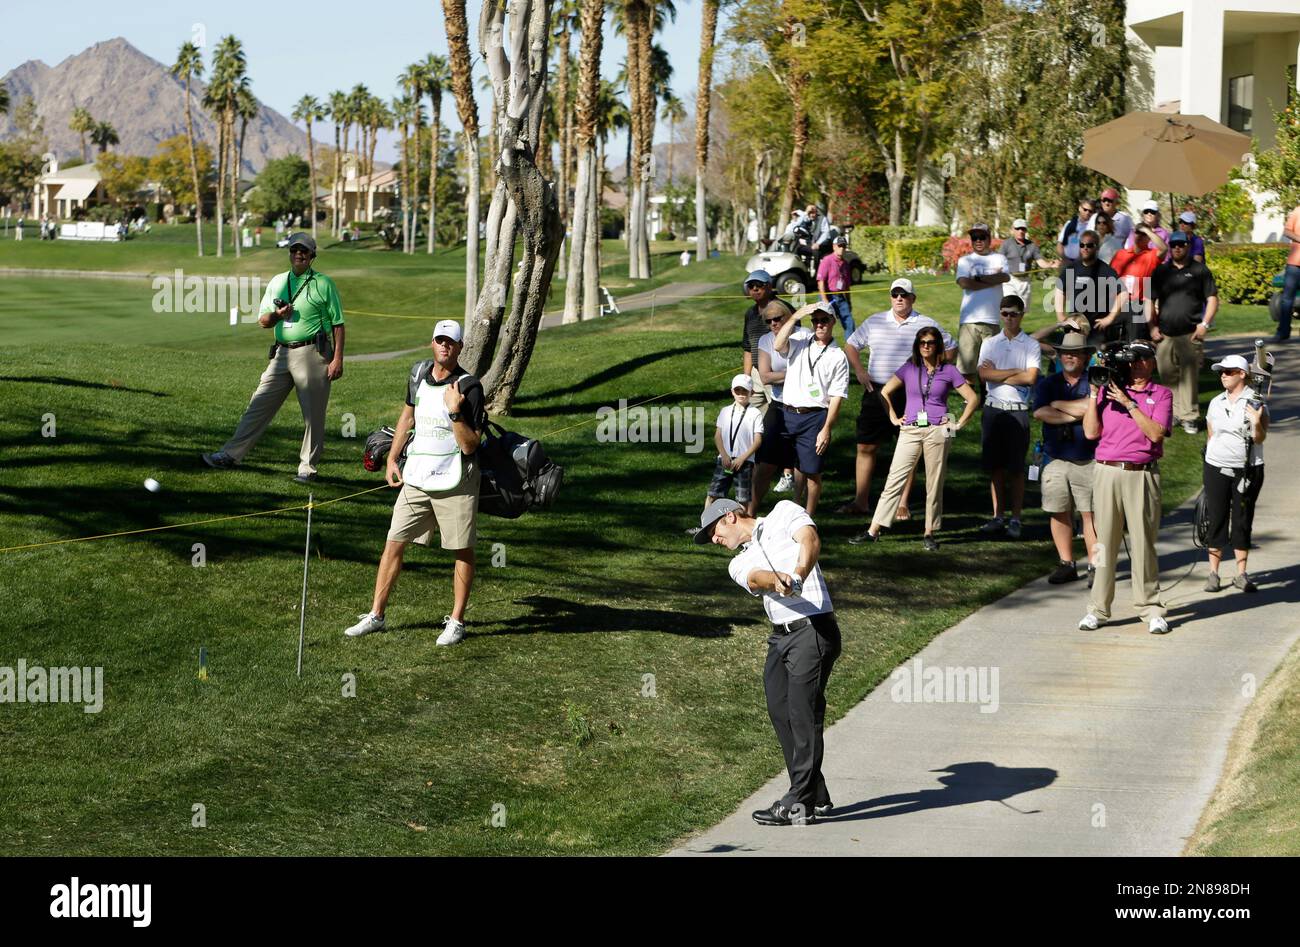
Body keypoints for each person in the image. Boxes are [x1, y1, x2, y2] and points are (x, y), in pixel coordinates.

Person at [695, 497, 840, 826]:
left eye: (714, 532)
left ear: (730, 516)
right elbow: (756, 577)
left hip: (813, 627)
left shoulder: (783, 512)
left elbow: (810, 539)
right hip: (781, 637)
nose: (714, 541)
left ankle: (798, 800)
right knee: (779, 708)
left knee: (803, 713)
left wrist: (798, 575)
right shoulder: (737, 563)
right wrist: (776, 582)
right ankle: (815, 794)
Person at [344, 320, 487, 645]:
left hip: (456, 481)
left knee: (461, 550)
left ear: (460, 347)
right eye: (439, 340)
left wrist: (455, 413)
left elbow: (469, 446)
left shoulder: (469, 387)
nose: (444, 346)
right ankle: (376, 615)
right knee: (394, 542)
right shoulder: (418, 375)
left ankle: (457, 621)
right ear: (431, 343)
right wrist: (393, 458)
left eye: (451, 341)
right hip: (418, 478)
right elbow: (407, 417)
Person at [202, 232, 345, 481]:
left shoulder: (323, 283)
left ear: (312, 256)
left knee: (313, 415)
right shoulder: (279, 281)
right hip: (281, 354)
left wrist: (337, 359)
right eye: (294, 250)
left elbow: (338, 324)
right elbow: (263, 321)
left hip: (313, 353)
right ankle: (230, 454)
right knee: (258, 404)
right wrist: (279, 315)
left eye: (304, 251)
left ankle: (307, 468)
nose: (298, 254)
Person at [851, 326, 979, 549]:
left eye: (929, 343)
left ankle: (929, 532)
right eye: (922, 343)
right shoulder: (909, 368)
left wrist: (957, 423)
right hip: (910, 428)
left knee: (934, 481)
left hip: (938, 430)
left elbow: (972, 398)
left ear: (938, 345)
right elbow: (884, 391)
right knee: (894, 479)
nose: (926, 347)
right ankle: (874, 529)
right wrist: (893, 416)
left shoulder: (948, 371)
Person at [840, 277, 955, 521]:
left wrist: (933, 373)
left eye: (904, 294)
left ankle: (902, 505)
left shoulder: (925, 323)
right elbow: (851, 345)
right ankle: (861, 501)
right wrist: (860, 371)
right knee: (865, 445)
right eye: (895, 294)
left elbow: (951, 347)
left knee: (910, 448)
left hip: (914, 395)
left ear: (913, 298)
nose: (899, 298)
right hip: (877, 391)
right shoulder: (875, 321)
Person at [1078, 340, 1173, 634]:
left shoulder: (1162, 394)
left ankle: (1150, 608)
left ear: (1153, 363)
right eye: (1133, 359)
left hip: (1141, 474)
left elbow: (1156, 434)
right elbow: (1091, 431)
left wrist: (1129, 404)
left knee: (1144, 542)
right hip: (1107, 471)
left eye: (1144, 358)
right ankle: (1097, 609)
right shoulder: (1107, 391)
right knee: (1104, 543)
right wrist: (1094, 396)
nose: (1138, 364)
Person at [1032, 332, 1099, 585]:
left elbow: (1092, 409)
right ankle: (1066, 563)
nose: (1070, 356)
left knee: (1091, 516)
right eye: (1065, 353)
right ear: (1059, 356)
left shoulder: (1094, 382)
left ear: (1085, 356)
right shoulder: (1048, 383)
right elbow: (1040, 412)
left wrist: (1059, 405)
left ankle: (1097, 566)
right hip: (1055, 458)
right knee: (1058, 511)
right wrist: (1078, 414)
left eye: (1076, 352)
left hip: (1089, 458)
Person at [773, 301, 850, 516]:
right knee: (796, 464)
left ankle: (809, 514)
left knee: (813, 470)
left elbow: (836, 397)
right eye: (815, 320)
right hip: (788, 412)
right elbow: (778, 345)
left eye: (824, 320)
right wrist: (796, 315)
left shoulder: (837, 356)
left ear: (833, 322)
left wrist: (826, 428)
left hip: (814, 417)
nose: (819, 324)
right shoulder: (800, 339)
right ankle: (796, 505)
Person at [976, 294, 1041, 538]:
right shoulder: (990, 343)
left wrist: (997, 373)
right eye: (1005, 313)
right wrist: (1016, 371)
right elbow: (983, 375)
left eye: (1014, 313)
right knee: (995, 467)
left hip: (1018, 411)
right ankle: (997, 516)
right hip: (993, 409)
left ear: (1022, 315)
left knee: (1015, 469)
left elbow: (1031, 378)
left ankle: (1015, 518)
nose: (1009, 318)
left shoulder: (1031, 344)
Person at [1202, 354, 1268, 594]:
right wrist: (1209, 461)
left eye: (1228, 371)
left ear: (1242, 374)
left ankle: (1241, 574)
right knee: (1216, 518)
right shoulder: (1216, 402)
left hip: (1248, 469)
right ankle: (1213, 573)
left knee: (1242, 520)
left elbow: (1259, 438)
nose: (1223, 375)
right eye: (1221, 371)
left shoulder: (1256, 401)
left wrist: (1256, 422)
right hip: (1216, 467)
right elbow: (1211, 434)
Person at [1149, 231, 1218, 434]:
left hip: (1190, 332)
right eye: (1174, 244)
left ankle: (1190, 417)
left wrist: (1204, 324)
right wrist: (1151, 326)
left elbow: (1212, 299)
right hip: (1164, 334)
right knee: (1168, 375)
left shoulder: (1199, 270)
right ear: (1170, 247)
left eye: (1181, 244)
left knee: (1188, 377)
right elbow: (1148, 301)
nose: (1177, 247)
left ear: (1188, 246)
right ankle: (1176, 413)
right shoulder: (1160, 271)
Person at [754, 303, 807, 510]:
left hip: (805, 405)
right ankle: (752, 508)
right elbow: (766, 376)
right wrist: (797, 374)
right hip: (778, 404)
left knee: (803, 463)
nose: (774, 324)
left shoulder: (804, 335)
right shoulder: (766, 340)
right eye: (769, 321)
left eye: (777, 319)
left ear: (788, 317)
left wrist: (783, 377)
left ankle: (799, 507)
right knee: (765, 462)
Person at [955, 223, 1009, 387]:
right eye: (974, 237)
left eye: (982, 237)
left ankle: (988, 399)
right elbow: (964, 283)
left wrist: (976, 279)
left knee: (990, 364)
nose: (978, 240)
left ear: (989, 238)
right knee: (967, 366)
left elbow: (1004, 277)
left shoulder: (999, 258)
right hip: (969, 319)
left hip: (992, 319)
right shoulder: (965, 260)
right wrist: (991, 278)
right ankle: (969, 400)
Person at [703, 374, 765, 516]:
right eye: (738, 391)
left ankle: (740, 531)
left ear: (752, 392)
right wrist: (724, 455)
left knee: (742, 500)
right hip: (724, 460)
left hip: (745, 462)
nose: (741, 394)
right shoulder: (725, 411)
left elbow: (758, 440)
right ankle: (705, 526)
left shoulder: (755, 413)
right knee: (712, 494)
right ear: (732, 391)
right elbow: (718, 435)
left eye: (745, 391)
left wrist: (742, 458)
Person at [1054, 229, 1126, 346]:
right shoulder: (1072, 269)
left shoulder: (1105, 270)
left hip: (1097, 330)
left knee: (1094, 362)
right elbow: (1059, 290)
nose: (1085, 248)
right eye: (1082, 245)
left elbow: (1122, 293)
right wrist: (1061, 317)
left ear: (1097, 248)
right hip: (1075, 327)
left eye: (1089, 245)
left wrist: (1110, 317)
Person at [741, 270, 790, 418]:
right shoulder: (750, 313)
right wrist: (747, 378)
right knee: (752, 416)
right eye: (751, 286)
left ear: (769, 287)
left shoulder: (783, 310)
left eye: (759, 285)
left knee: (780, 415)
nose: (754, 289)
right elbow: (748, 347)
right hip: (756, 373)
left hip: (777, 371)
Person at [1110, 223, 1168, 341]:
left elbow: (1164, 248)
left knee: (1133, 345)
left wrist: (1147, 230)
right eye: (1137, 232)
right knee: (1113, 344)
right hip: (1118, 305)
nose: (1139, 236)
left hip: (1138, 307)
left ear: (1148, 238)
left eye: (1143, 234)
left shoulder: (1151, 255)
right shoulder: (1121, 254)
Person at [1271, 199, 1300, 342]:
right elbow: (1287, 231)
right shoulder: (1297, 211)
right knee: (1287, 299)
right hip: (1295, 263)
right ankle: (1282, 332)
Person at [816, 235, 855, 335]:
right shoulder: (827, 260)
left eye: (843, 246)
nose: (841, 248)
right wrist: (824, 300)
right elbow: (820, 282)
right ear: (834, 247)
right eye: (839, 246)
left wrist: (849, 301)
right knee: (823, 325)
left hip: (840, 298)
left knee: (850, 323)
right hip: (828, 296)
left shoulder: (845, 264)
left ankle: (850, 349)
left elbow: (846, 286)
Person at [1001, 218, 1044, 309]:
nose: (1020, 231)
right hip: (1010, 280)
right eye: (1018, 229)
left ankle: (1016, 323)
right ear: (1013, 230)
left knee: (1021, 309)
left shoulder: (1032, 245)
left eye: (1023, 229)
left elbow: (1040, 261)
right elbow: (999, 260)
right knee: (1010, 307)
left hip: (1025, 281)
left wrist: (1051, 265)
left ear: (1026, 230)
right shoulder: (1006, 244)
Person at [1057, 197, 1097, 261]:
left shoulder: (1093, 227)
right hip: (1068, 263)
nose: (1087, 212)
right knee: (1069, 271)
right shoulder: (1070, 224)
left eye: (1090, 211)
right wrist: (1064, 259)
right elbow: (1060, 244)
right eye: (1085, 209)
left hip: (1084, 263)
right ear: (1080, 208)